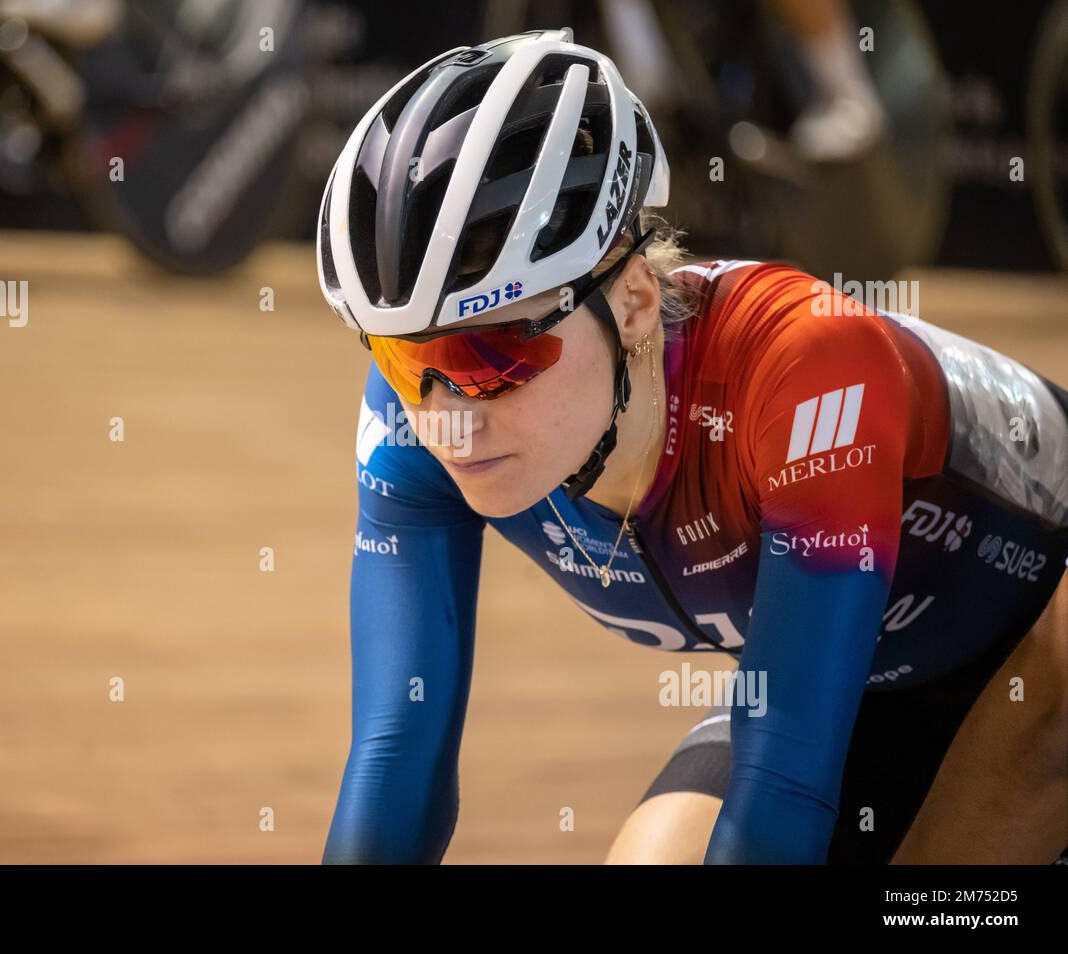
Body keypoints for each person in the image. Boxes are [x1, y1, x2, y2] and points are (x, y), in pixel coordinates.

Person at [316, 29, 1068, 864]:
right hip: (873, 675)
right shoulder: (415, 419)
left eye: (492, 356)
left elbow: (784, 781)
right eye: (405, 355)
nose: (445, 413)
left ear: (635, 301)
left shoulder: (805, 368)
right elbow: (395, 762)